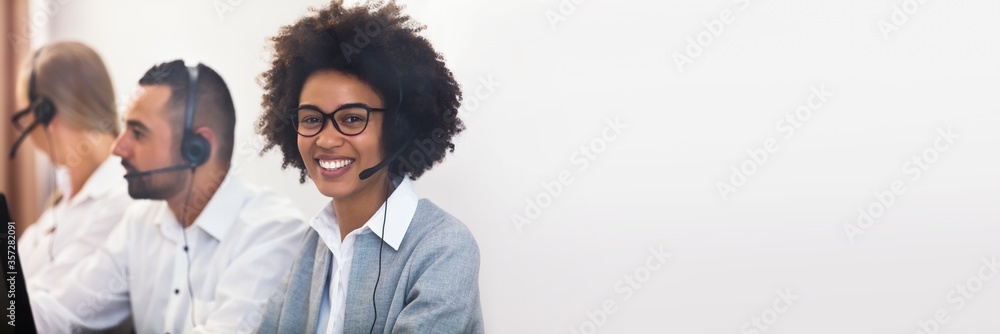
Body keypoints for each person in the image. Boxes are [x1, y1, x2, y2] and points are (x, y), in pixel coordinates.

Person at [253, 1, 484, 333]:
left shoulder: (444, 247)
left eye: (351, 119)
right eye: (312, 119)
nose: (327, 139)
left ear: (397, 130)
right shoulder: (314, 242)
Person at [29, 60, 308, 333]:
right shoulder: (139, 223)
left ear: (196, 148)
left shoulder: (272, 233)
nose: (117, 147)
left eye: (137, 133)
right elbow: (61, 312)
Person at [9, 42, 132, 321]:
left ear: (44, 114)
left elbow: (48, 317)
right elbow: (15, 280)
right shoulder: (62, 200)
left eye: (22, 116)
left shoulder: (121, 200)